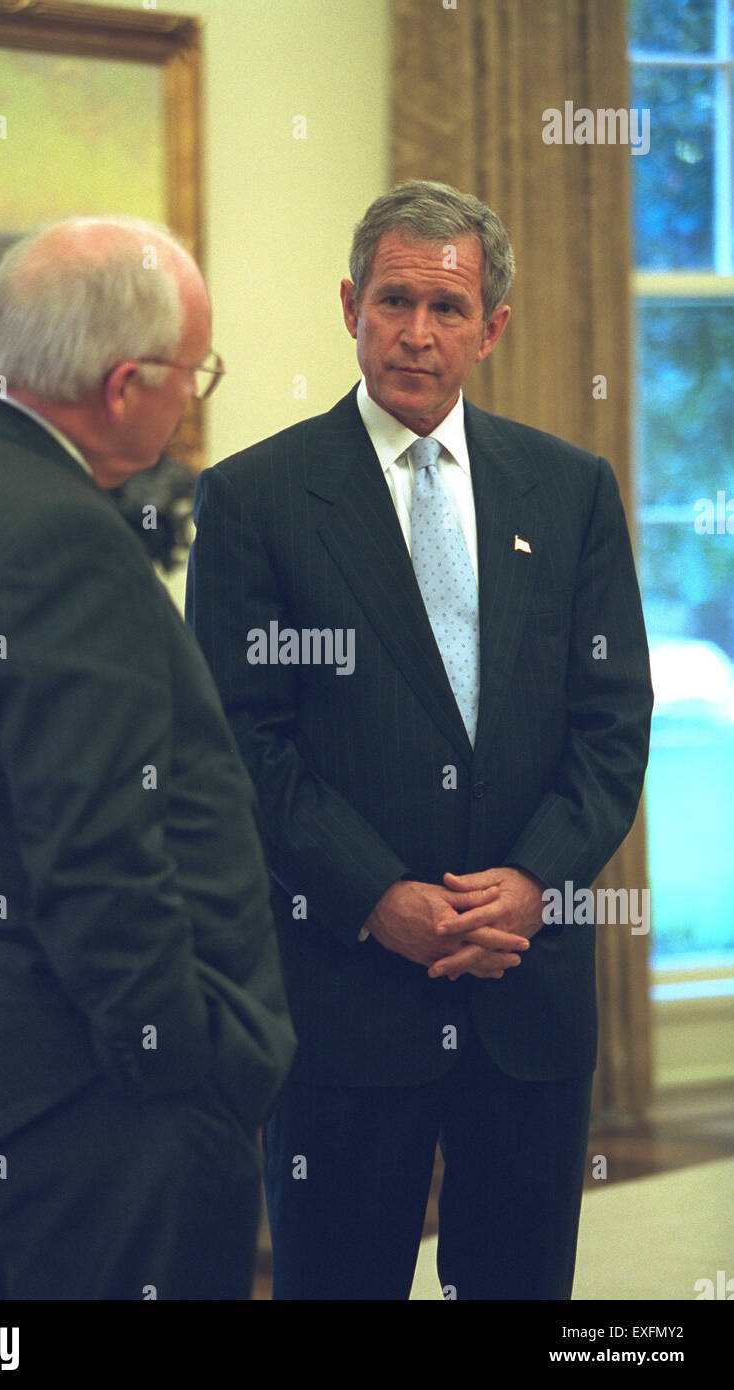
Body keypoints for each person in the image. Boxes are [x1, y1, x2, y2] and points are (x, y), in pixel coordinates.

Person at [186, 181, 653, 1300]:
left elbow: (609, 726)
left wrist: (536, 879)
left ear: (489, 328)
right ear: (348, 304)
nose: (414, 333)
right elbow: (244, 746)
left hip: (523, 991)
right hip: (345, 998)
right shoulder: (255, 501)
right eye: (392, 300)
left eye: (446, 310)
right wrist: (376, 895)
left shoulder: (572, 489)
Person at [0, 216, 295, 1300]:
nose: (193, 401)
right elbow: (98, 853)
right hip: (101, 1095)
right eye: (194, 373)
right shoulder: (59, 537)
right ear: (124, 382)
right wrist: (187, 1065)